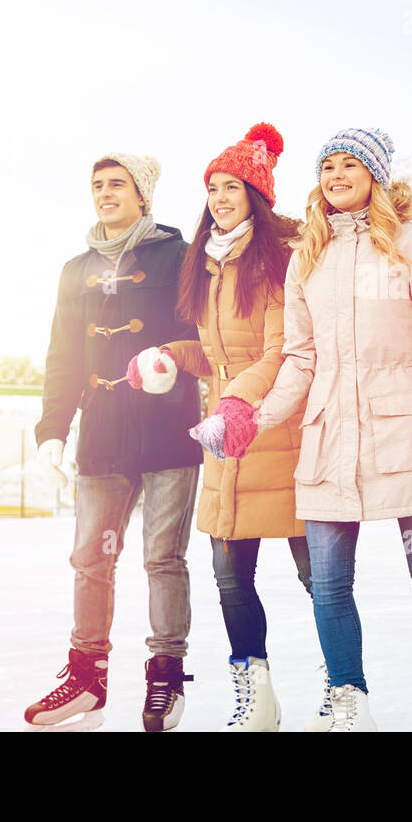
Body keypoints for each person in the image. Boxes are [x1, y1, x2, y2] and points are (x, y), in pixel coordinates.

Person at [193, 127, 412, 731]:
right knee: (330, 581)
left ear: (375, 175)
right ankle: (349, 699)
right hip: (326, 436)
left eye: (350, 165)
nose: (336, 176)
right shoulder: (307, 257)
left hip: (403, 430)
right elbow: (299, 358)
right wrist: (254, 420)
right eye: (328, 167)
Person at [127, 123, 326, 731]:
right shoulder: (208, 264)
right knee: (230, 578)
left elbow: (277, 351)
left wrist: (235, 404)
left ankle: (339, 685)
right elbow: (217, 355)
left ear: (256, 195)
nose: (218, 197)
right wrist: (165, 356)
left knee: (319, 577)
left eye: (231, 186)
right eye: (211, 186)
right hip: (225, 440)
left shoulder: (275, 264)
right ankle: (255, 697)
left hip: (277, 431)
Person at [24, 153, 202, 733]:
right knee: (90, 558)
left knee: (162, 558)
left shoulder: (179, 257)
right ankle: (87, 681)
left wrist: (173, 360)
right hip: (101, 435)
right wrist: (52, 430)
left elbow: (204, 336)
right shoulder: (74, 269)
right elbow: (63, 355)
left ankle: (165, 676)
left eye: (117, 184)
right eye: (97, 185)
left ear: (142, 195)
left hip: (167, 431)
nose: (105, 193)